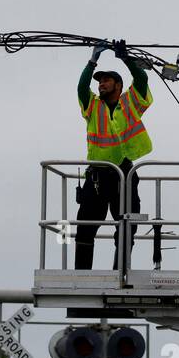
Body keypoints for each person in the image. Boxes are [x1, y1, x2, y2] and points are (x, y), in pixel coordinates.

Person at [74, 39, 154, 271]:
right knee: (85, 226)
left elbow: (142, 80)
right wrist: (92, 61)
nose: (101, 84)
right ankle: (82, 275)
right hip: (97, 177)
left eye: (107, 80)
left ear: (118, 85)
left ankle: (119, 273)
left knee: (127, 224)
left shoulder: (131, 102)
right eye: (100, 81)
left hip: (124, 173)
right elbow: (81, 88)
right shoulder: (93, 106)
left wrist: (126, 58)